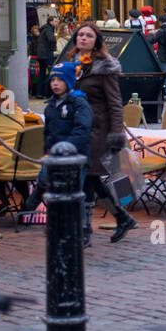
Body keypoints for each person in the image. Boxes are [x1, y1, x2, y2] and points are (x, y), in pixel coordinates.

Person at [59, 22, 138, 245]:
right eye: (80, 35)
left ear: (97, 41)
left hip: (97, 131)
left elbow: (115, 103)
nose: (83, 38)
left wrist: (115, 135)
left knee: (87, 178)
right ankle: (122, 218)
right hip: (77, 129)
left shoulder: (105, 67)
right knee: (91, 179)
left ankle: (85, 232)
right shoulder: (71, 64)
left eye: (89, 36)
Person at [35, 16, 57, 97]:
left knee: (42, 74)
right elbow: (51, 39)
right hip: (46, 54)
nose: (56, 22)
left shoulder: (44, 29)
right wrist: (56, 37)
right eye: (55, 21)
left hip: (41, 55)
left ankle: (39, 93)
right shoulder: (48, 29)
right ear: (51, 22)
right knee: (51, 73)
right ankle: (48, 93)